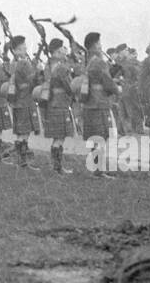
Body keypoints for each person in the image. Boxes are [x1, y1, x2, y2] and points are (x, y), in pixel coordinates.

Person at [82, 31, 119, 177]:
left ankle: (97, 168)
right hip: (100, 103)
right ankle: (99, 170)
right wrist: (118, 88)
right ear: (96, 45)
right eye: (99, 43)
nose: (101, 46)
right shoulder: (99, 62)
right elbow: (108, 84)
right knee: (101, 137)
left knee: (95, 138)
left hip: (90, 104)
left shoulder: (88, 61)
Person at [43, 39, 76, 174]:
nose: (65, 50)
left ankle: (56, 167)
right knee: (60, 137)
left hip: (51, 103)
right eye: (63, 48)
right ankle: (58, 168)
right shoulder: (61, 67)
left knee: (57, 137)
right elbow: (70, 87)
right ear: (57, 51)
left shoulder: (48, 65)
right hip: (61, 103)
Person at [8, 34, 39, 168]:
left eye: (24, 48)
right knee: (25, 133)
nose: (24, 50)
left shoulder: (13, 63)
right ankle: (23, 161)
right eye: (21, 49)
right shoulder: (23, 63)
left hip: (17, 102)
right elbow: (33, 79)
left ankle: (21, 160)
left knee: (22, 133)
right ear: (15, 51)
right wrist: (38, 69)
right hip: (25, 100)